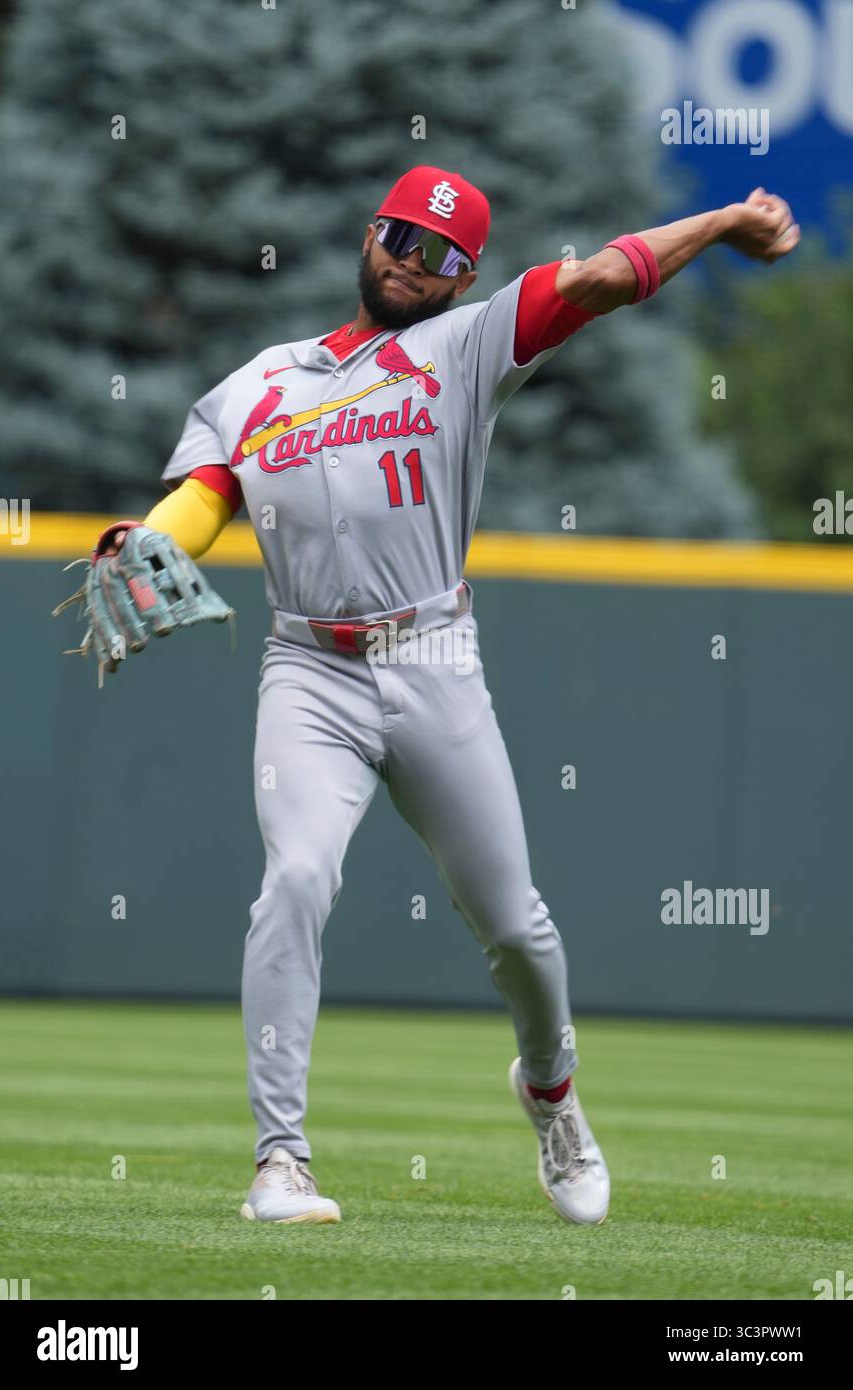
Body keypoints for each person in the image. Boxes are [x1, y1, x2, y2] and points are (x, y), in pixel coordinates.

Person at [104, 165, 798, 1227]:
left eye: (439, 255)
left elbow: (605, 275)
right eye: (398, 237)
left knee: (516, 928)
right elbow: (203, 498)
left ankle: (551, 1097)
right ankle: (278, 1161)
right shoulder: (258, 383)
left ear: (460, 274)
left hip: (432, 656)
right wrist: (148, 543)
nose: (410, 262)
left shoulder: (467, 346)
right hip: (308, 668)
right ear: (371, 232)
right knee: (294, 876)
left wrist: (718, 222)